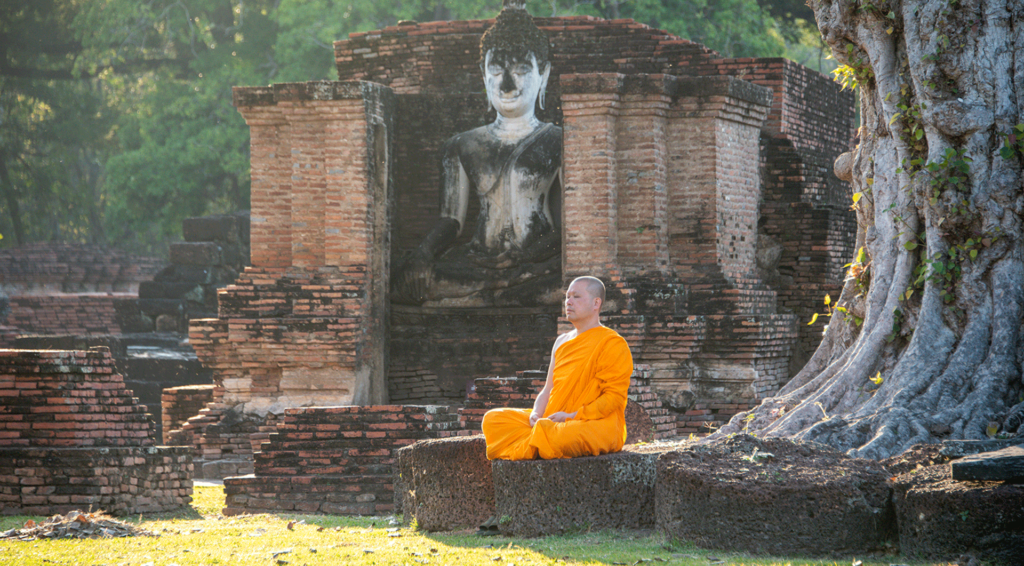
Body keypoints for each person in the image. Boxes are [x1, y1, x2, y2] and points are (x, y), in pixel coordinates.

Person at [391, 0, 562, 308]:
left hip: (536, 264)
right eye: (497, 71)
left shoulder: (558, 141)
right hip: (478, 262)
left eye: (522, 70)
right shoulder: (461, 145)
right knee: (411, 282)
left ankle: (484, 297)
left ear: (544, 75)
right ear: (484, 76)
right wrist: (422, 254)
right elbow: (451, 221)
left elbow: (566, 229)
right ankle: (493, 294)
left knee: (568, 284)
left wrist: (528, 255)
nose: (508, 84)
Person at [482, 276, 634, 460]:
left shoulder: (612, 343)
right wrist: (536, 413)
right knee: (493, 419)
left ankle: (537, 439)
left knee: (559, 435)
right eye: (567, 297)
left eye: (576, 297)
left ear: (596, 303)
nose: (568, 302)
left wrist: (571, 416)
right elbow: (548, 389)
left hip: (592, 424)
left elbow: (614, 398)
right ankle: (539, 437)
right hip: (554, 419)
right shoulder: (561, 341)